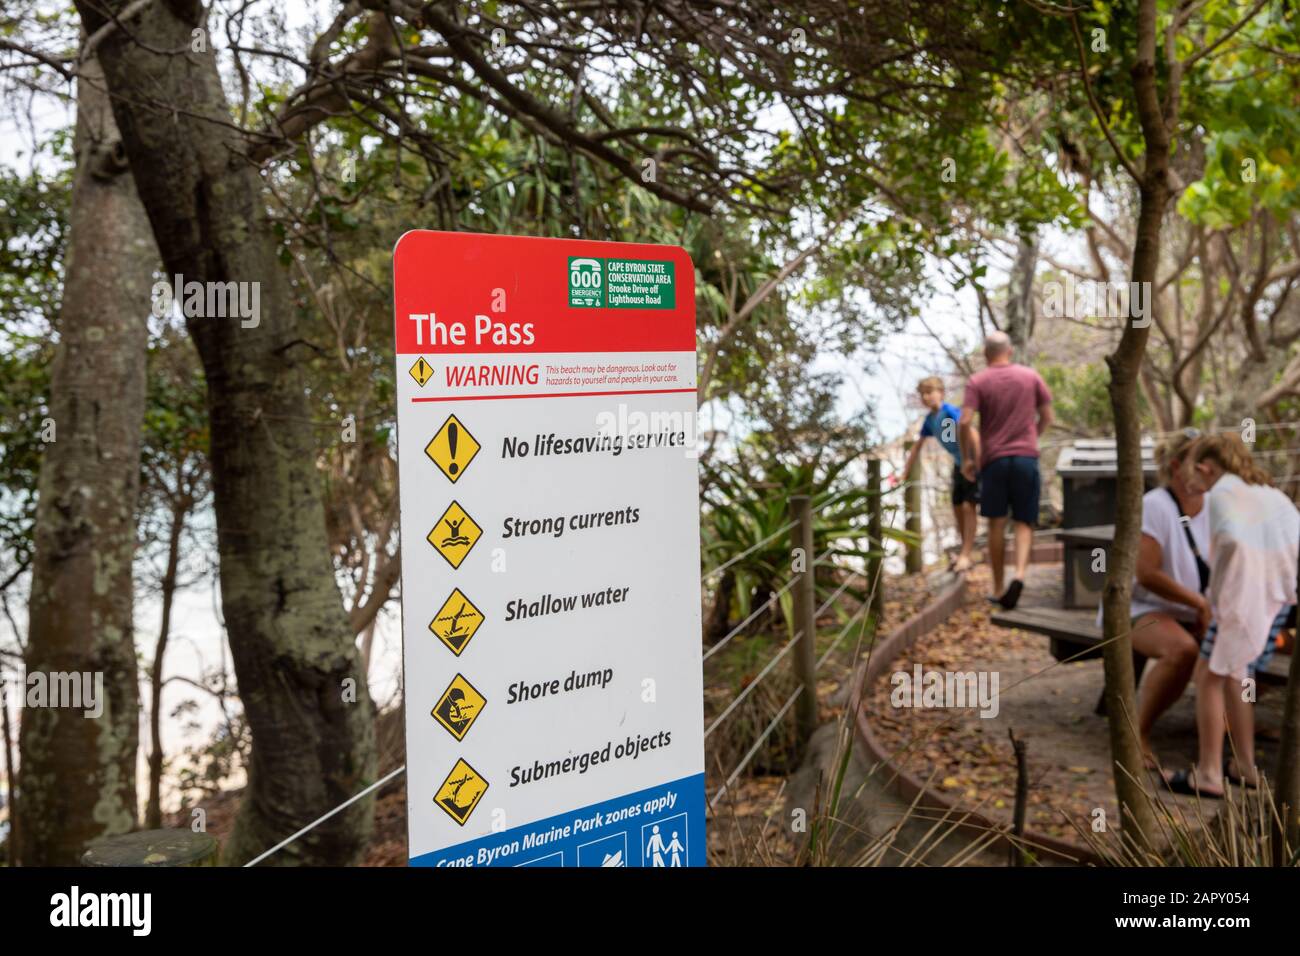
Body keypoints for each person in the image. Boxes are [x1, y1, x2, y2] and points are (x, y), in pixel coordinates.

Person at [1163, 433, 1299, 798]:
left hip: (1241, 602)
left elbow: (1231, 543)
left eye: (1196, 470)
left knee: (1208, 677)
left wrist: (1215, 599)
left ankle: (1208, 773)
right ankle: (1244, 766)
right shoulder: (1272, 493)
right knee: (1239, 676)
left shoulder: (1222, 492)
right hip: (1276, 602)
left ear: (1207, 467)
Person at [1107, 431, 1211, 768]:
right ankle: (1137, 735)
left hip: (1200, 608)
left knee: (1263, 643)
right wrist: (1198, 604)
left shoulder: (1216, 505)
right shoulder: (1155, 506)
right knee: (1181, 651)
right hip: (1143, 608)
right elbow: (1146, 573)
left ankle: (1237, 724)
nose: (1210, 469)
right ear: (1178, 465)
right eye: (1201, 461)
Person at [958, 332, 1053, 609]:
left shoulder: (978, 381)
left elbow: (964, 422)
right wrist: (1032, 437)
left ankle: (999, 588)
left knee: (996, 523)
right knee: (1024, 521)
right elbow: (1047, 416)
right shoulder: (1030, 376)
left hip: (994, 461)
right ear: (1009, 351)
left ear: (986, 354)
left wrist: (967, 458)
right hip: (1026, 458)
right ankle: (1020, 575)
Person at [898, 376, 981, 572]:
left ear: (941, 393)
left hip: (971, 461)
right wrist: (905, 472)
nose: (927, 397)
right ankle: (964, 551)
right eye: (923, 394)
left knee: (970, 506)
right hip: (959, 463)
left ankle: (967, 554)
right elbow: (917, 447)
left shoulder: (950, 412)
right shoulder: (930, 420)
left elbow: (973, 434)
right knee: (958, 507)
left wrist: (976, 462)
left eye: (930, 392)